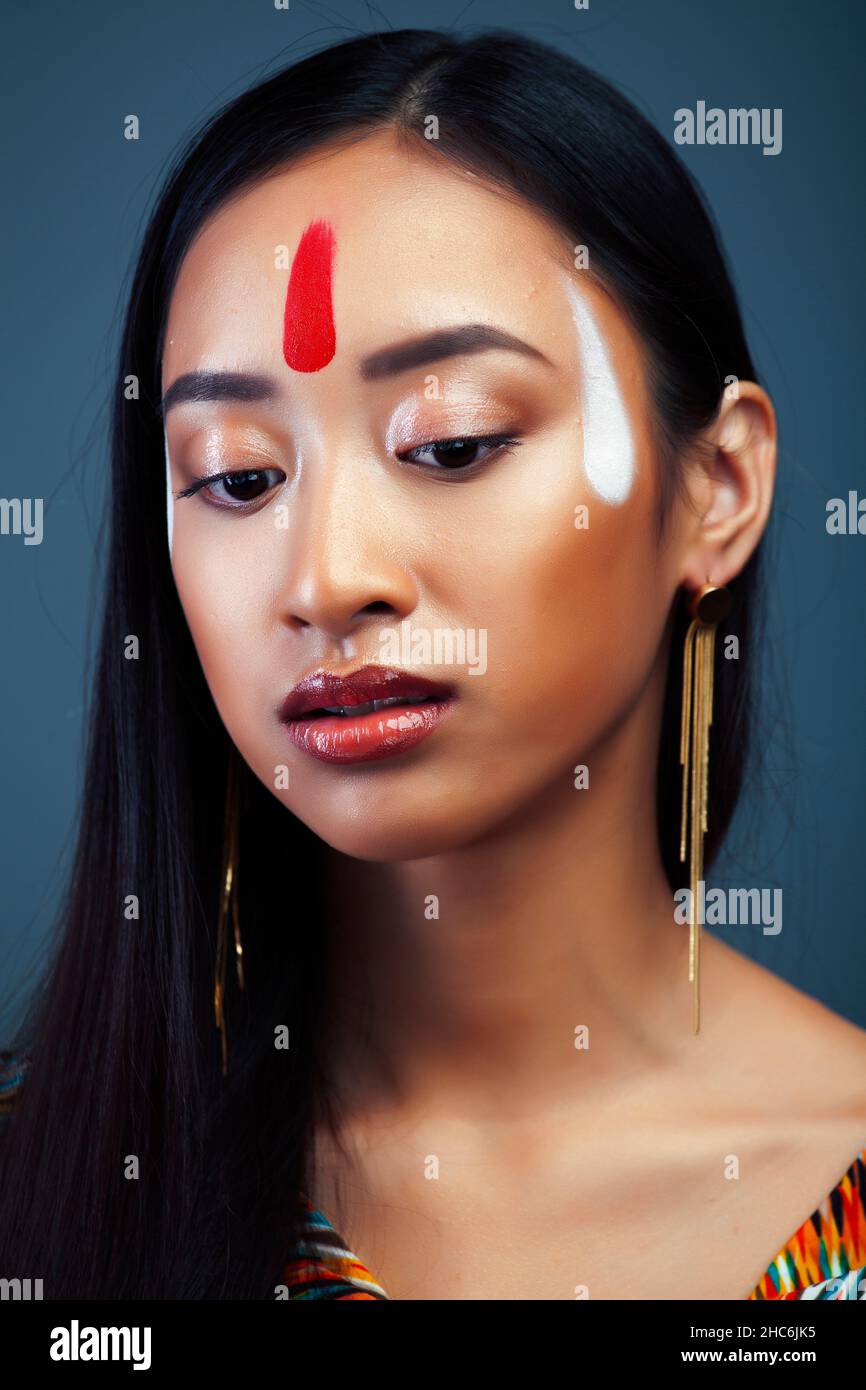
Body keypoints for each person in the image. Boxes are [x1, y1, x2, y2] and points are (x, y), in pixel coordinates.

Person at [1, 27, 865, 1301]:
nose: (325, 578)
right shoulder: (44, 1182)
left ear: (716, 487)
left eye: (451, 445)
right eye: (238, 477)